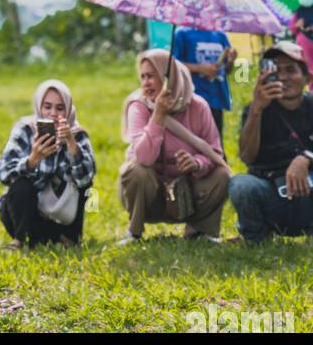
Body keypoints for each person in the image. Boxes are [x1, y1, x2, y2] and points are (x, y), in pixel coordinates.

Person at [117, 49, 231, 244]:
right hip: (152, 192)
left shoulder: (198, 106)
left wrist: (196, 163)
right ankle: (134, 232)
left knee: (221, 174)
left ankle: (200, 232)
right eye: (142, 76)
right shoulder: (139, 106)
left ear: (170, 77)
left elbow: (215, 152)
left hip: (188, 188)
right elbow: (143, 157)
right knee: (136, 170)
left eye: (152, 76)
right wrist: (158, 117)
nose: (145, 82)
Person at [0, 79, 96, 249]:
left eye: (60, 108)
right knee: (21, 184)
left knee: (83, 184)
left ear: (69, 109)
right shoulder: (25, 128)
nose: (53, 113)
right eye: (47, 107)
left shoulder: (77, 134)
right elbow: (2, 173)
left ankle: (69, 238)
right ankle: (19, 239)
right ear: (38, 107)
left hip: (63, 216)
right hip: (27, 215)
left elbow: (86, 180)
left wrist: (71, 145)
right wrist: (32, 160)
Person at [229, 41, 313, 244]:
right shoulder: (256, 109)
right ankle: (256, 238)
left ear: (306, 78)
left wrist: (305, 158)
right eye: (275, 70)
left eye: (290, 70)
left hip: (308, 191)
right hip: (272, 192)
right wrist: (257, 109)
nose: (283, 77)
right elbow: (247, 156)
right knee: (241, 185)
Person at [171, 26, 236, 136]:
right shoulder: (182, 33)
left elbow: (227, 70)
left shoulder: (220, 35)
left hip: (216, 100)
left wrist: (231, 61)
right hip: (192, 101)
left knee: (215, 142)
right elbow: (174, 65)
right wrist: (200, 68)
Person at [289, 0, 313, 86]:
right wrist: (297, 25)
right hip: (304, 40)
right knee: (309, 66)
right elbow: (292, 29)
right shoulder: (298, 12)